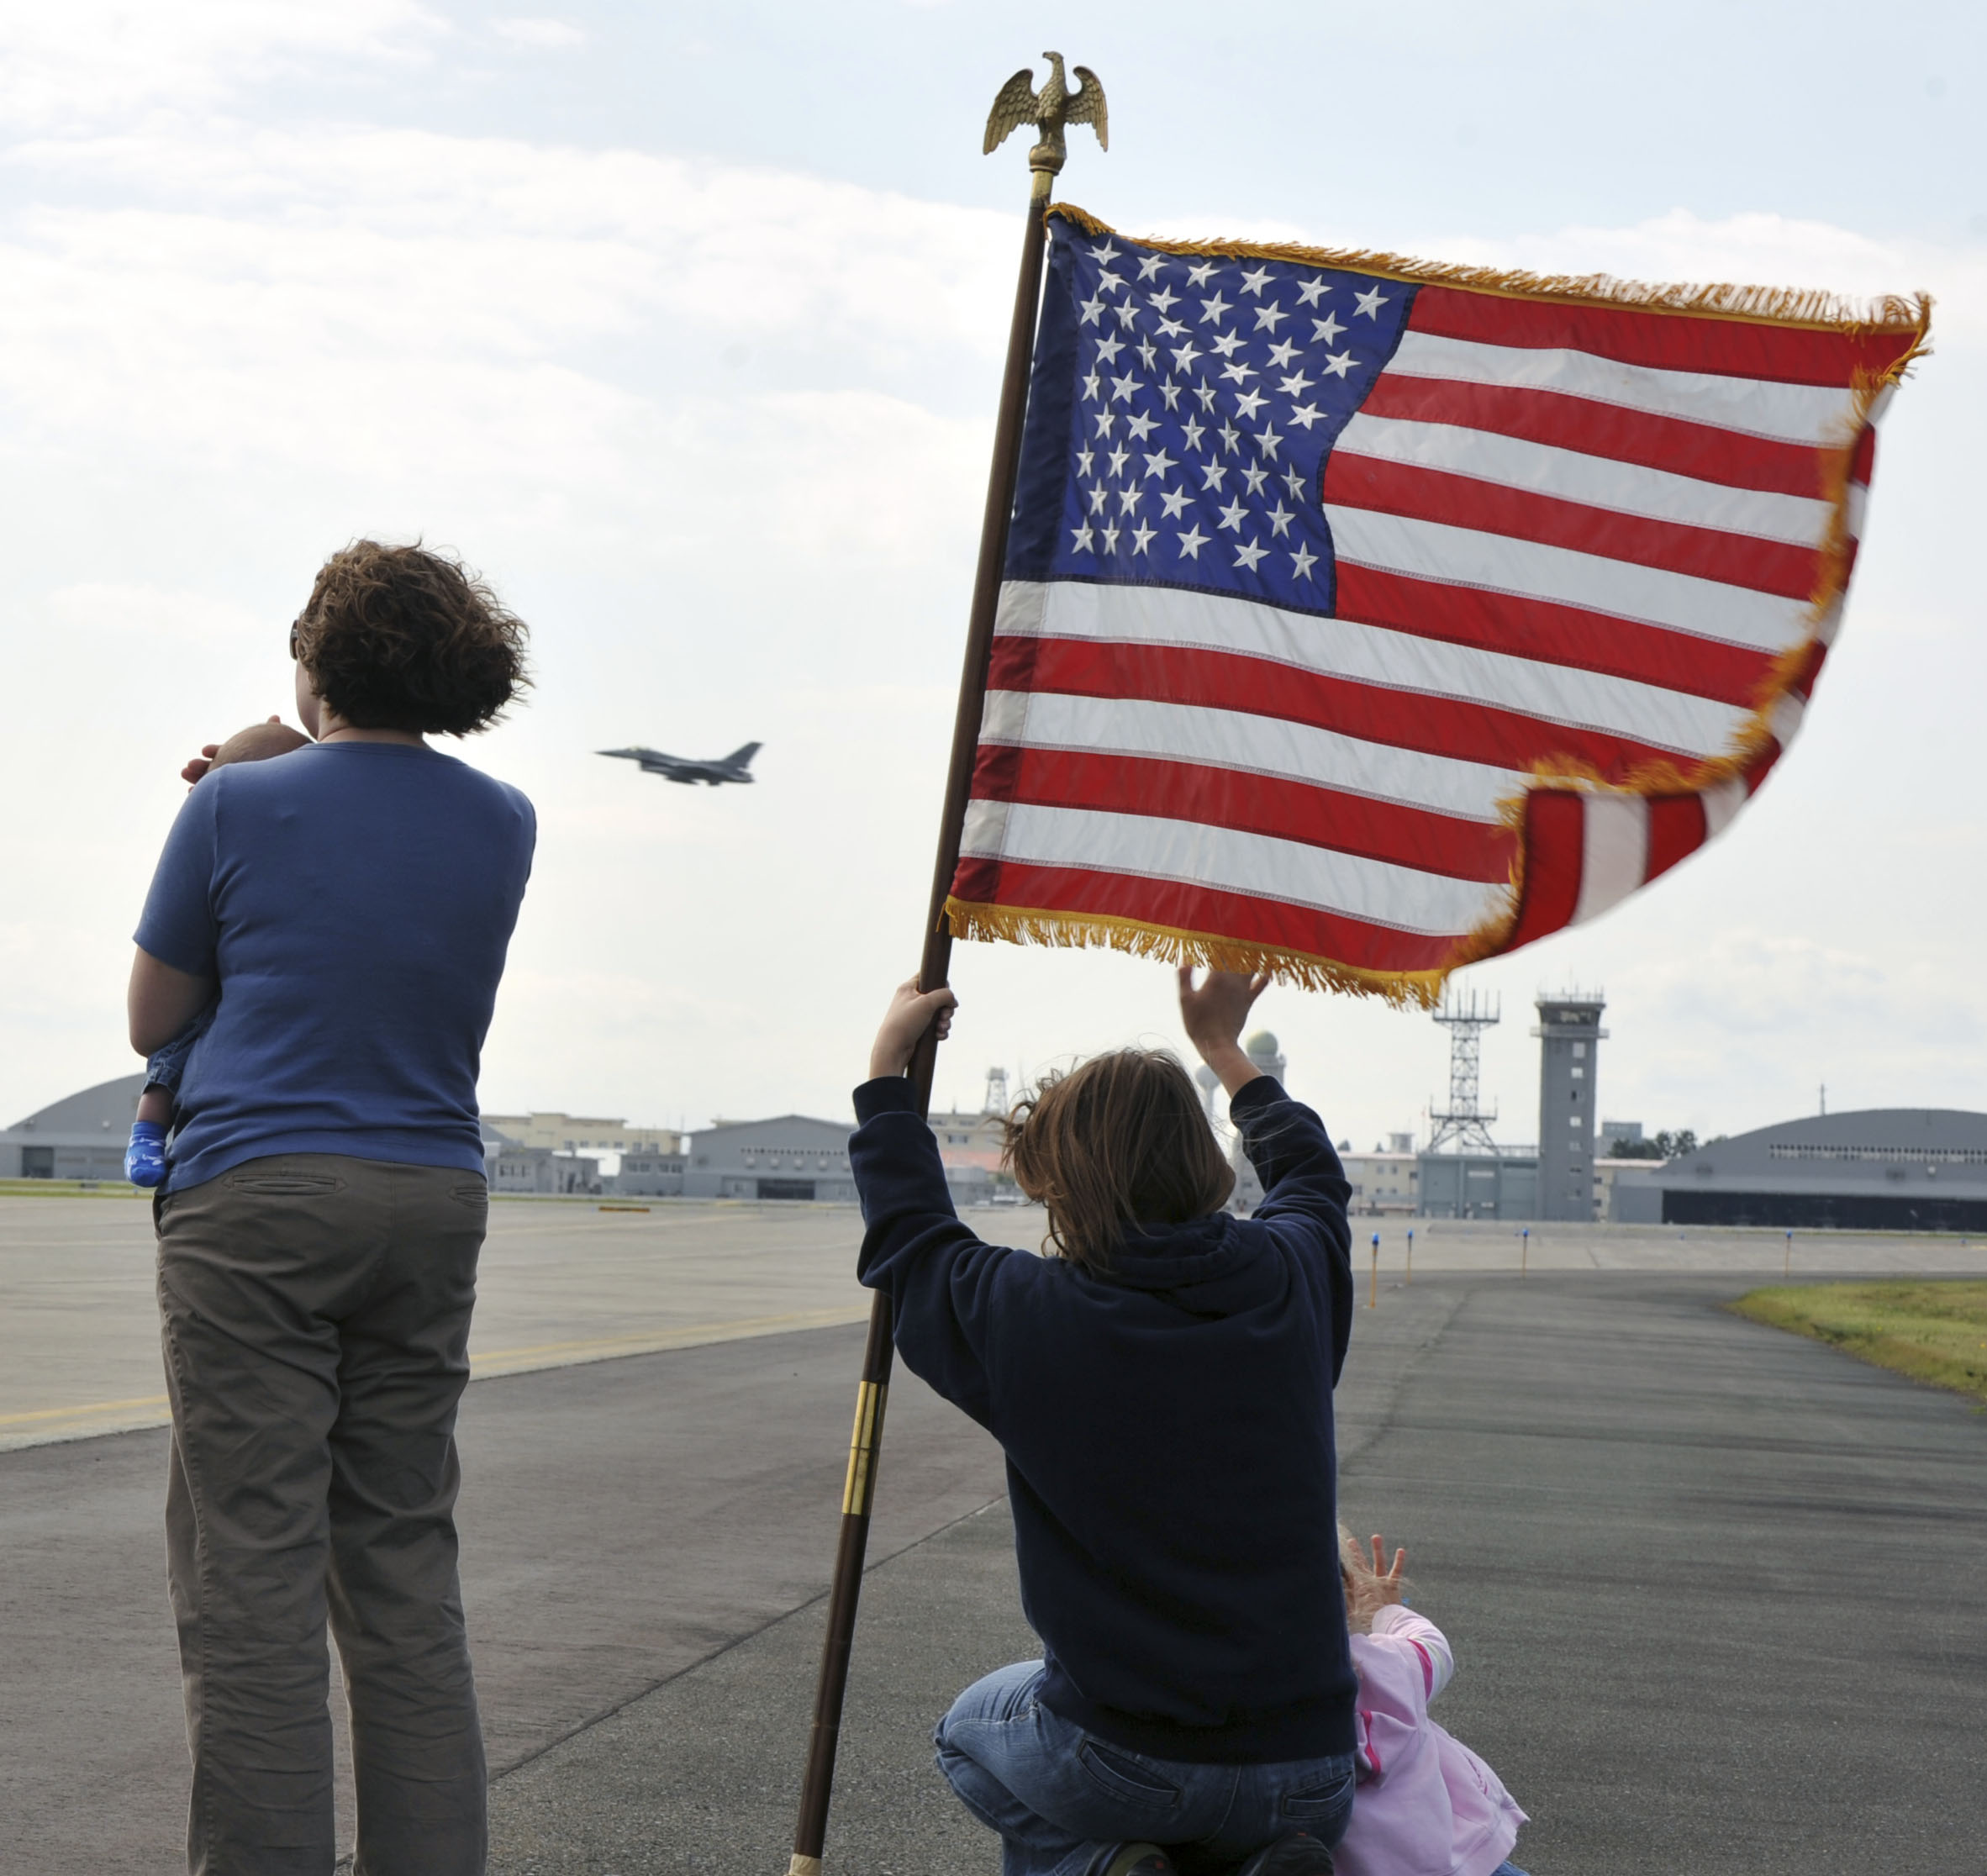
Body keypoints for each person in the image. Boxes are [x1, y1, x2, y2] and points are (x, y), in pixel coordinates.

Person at [128, 540, 536, 1876]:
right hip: (431, 1195)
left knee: (251, 1576)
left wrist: (241, 768)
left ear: (315, 663)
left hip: (257, 1198)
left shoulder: (236, 807)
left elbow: (154, 1013)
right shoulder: (502, 817)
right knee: (405, 1567)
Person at [849, 966, 1358, 1876]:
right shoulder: (1293, 1276)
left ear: (1063, 1185)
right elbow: (1313, 1179)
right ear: (1201, 1161)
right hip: (1315, 1768)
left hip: (1129, 1762)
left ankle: (1102, 1869)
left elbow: (912, 1243)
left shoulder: (1028, 1314)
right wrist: (1224, 1050)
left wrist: (888, 1076)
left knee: (970, 1732)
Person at [125, 719, 311, 1188]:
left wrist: (208, 815)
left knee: (169, 1053)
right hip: (431, 1160)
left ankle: (147, 1132)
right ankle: (146, 1131)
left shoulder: (227, 817)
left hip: (238, 1154)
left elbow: (149, 1026)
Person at [1332, 1529, 1529, 1876]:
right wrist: (1388, 1611)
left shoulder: (1247, 1692)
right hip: (1450, 1858)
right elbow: (1433, 1647)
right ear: (1348, 1594)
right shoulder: (1392, 1664)